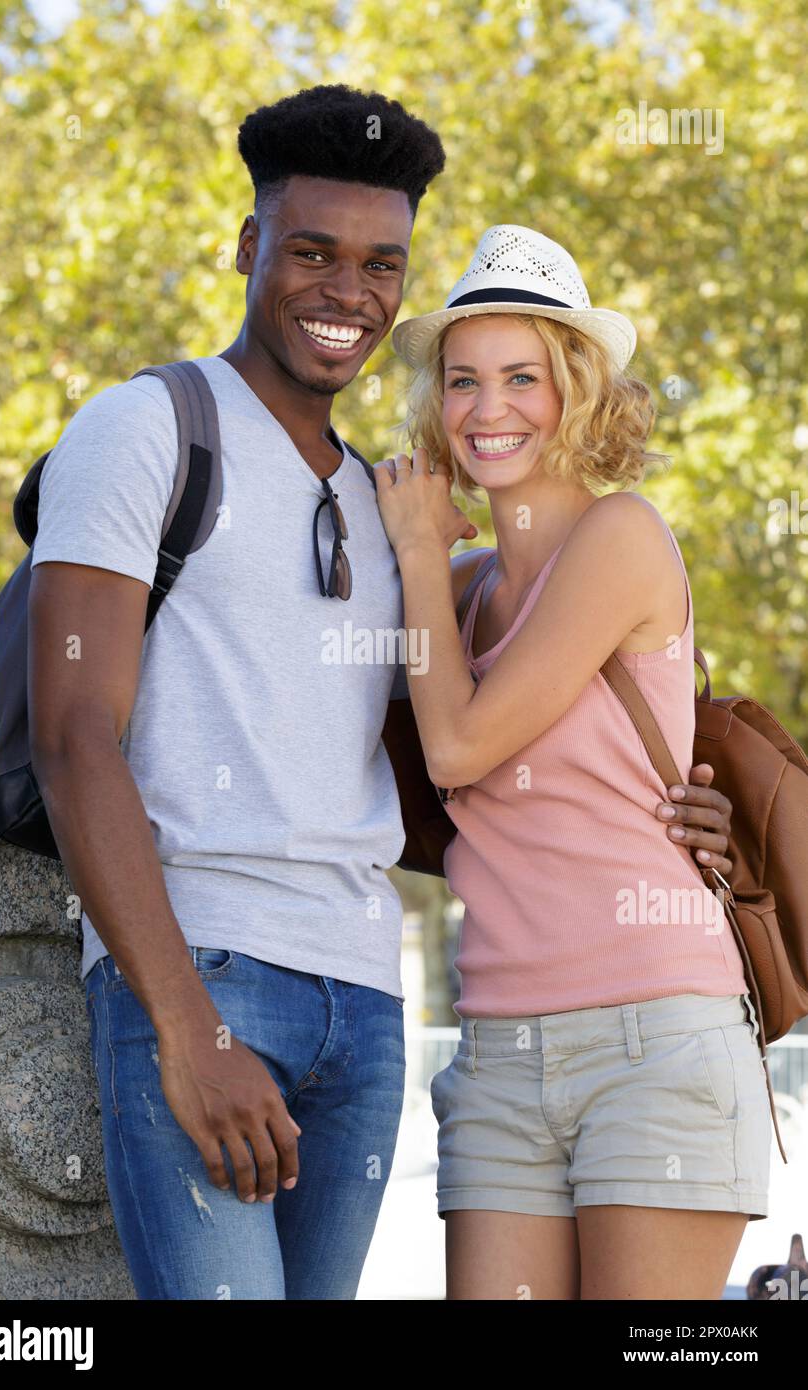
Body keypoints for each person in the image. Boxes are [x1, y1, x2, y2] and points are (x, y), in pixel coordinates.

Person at [28, 84, 735, 1302]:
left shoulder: (421, 520)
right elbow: (75, 733)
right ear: (248, 248)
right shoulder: (154, 429)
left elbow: (547, 722)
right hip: (230, 978)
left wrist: (688, 814)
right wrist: (189, 1029)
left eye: (379, 263)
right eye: (309, 252)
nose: (344, 290)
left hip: (390, 1010)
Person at [375, 224, 771, 1301]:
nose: (485, 408)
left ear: (577, 392)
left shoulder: (621, 537)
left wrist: (414, 549)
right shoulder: (456, 593)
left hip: (654, 1040)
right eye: (461, 380)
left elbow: (454, 744)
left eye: (521, 377)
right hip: (499, 1047)